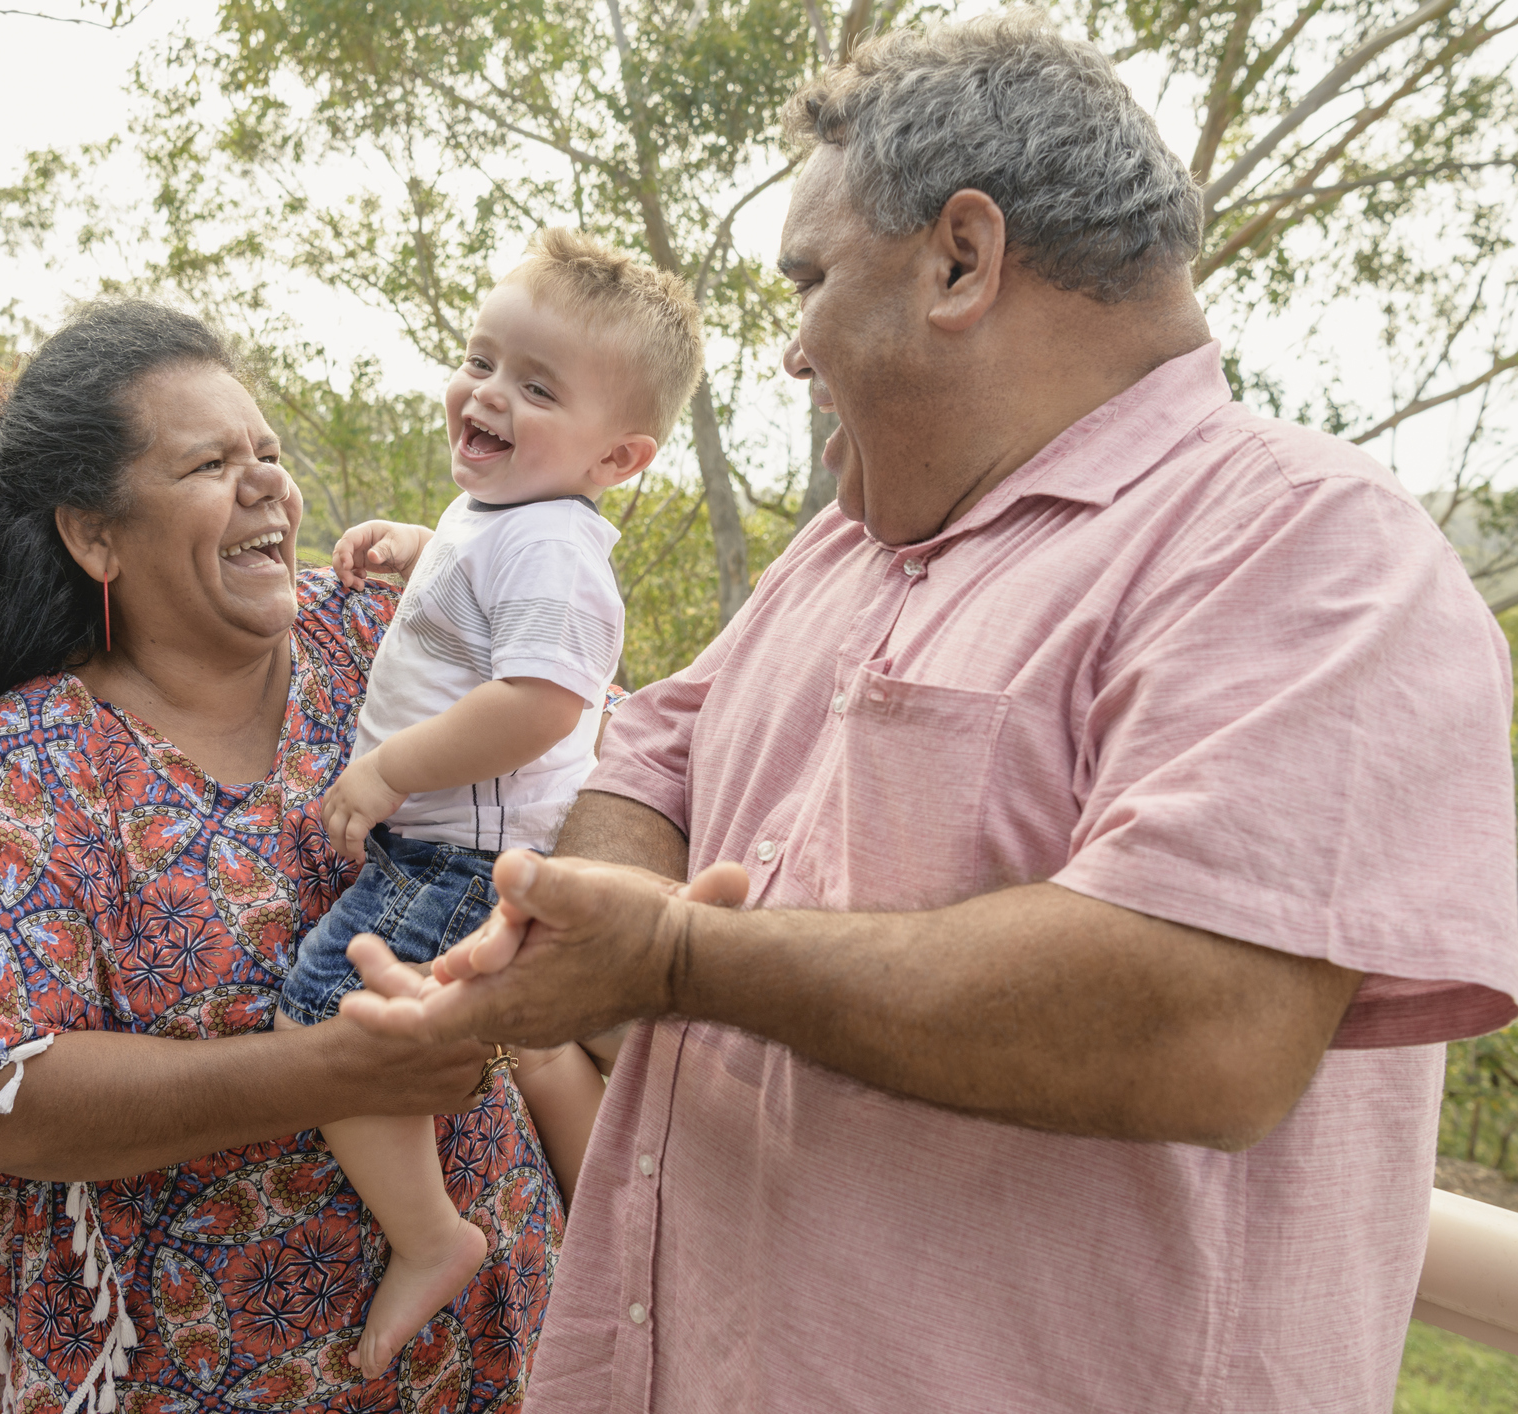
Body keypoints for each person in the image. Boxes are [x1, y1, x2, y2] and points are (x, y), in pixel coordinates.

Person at [343, 16, 1518, 1412]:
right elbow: (651, 760)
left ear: (960, 259)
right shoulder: (841, 550)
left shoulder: (1305, 546)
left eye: (813, 280)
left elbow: (1210, 1018)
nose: (789, 352)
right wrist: (570, 930)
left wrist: (675, 962)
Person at [0, 298, 563, 1414]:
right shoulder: (44, 759)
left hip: (498, 1341)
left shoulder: (387, 639)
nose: (267, 486)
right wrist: (334, 1071)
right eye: (209, 462)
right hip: (213, 1373)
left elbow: (600, 747)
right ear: (94, 534)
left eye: (270, 453)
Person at [282, 227, 704, 1377]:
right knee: (536, 1038)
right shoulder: (510, 520)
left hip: (457, 853)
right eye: (481, 360)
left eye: (535, 386)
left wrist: (389, 769)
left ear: (618, 458)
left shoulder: (558, 549)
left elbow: (542, 701)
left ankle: (432, 1238)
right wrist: (427, 549)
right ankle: (599, 1221)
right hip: (475, 849)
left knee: (329, 1015)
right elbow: (487, 602)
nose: (487, 394)